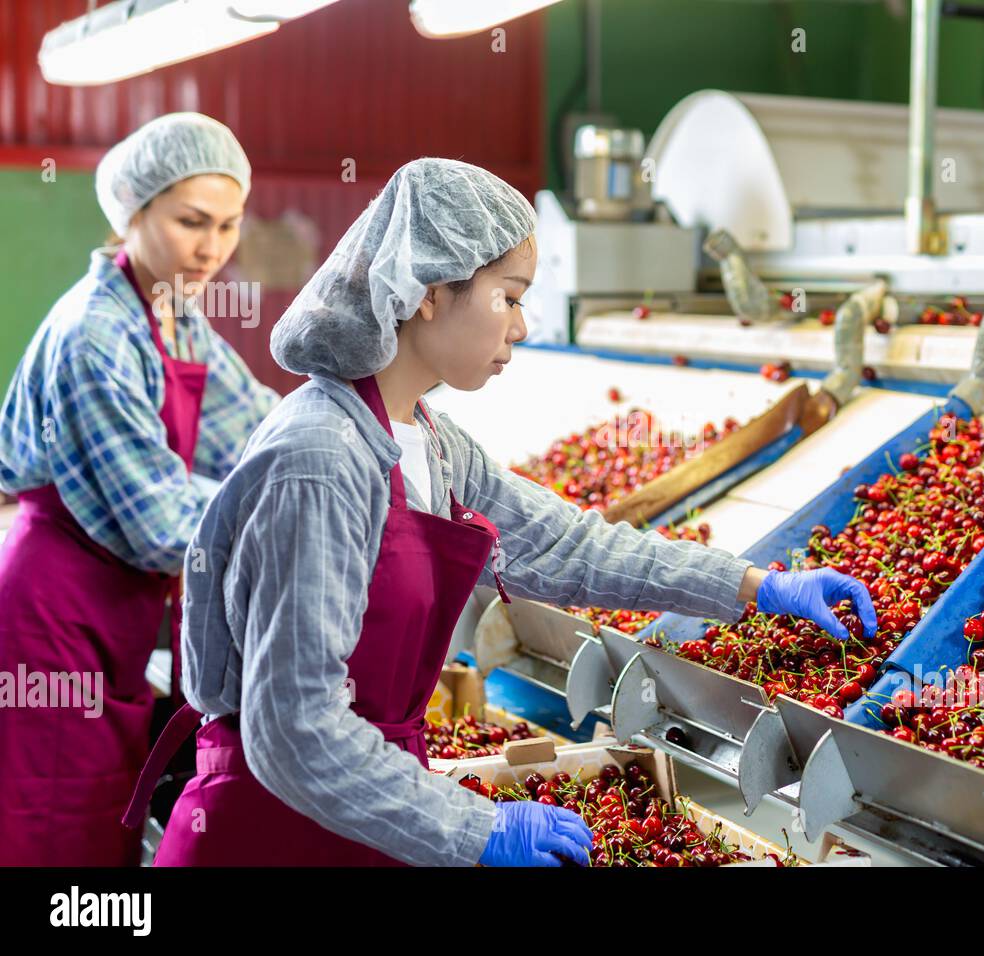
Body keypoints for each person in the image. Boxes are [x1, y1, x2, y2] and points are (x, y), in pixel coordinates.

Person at [125, 158, 875, 867]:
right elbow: (294, 730)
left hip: (370, 812)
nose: (520, 326)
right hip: (274, 834)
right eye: (509, 297)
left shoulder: (429, 441)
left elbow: (570, 546)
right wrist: (474, 827)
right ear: (427, 291)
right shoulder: (320, 462)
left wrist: (753, 587)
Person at [0, 112, 278, 865]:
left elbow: (259, 434)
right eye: (192, 221)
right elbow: (161, 522)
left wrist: (357, 455)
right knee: (54, 830)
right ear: (134, 211)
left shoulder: (174, 319)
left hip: (114, 611)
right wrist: (294, 542)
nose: (212, 247)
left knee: (100, 822)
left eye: (228, 224)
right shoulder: (96, 335)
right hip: (55, 613)